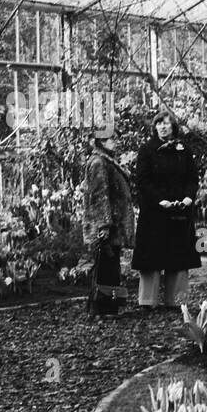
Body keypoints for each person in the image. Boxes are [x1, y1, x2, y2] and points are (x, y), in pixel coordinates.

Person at [132, 112, 201, 312]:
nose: (163, 127)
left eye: (167, 123)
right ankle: (148, 301)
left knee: (178, 256)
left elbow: (192, 178)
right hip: (155, 212)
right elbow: (142, 180)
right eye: (159, 123)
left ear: (173, 127)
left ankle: (177, 300)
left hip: (179, 212)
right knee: (151, 257)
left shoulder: (183, 150)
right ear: (155, 127)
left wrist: (188, 197)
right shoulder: (146, 150)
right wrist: (160, 200)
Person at [83, 126, 135, 319]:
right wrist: (104, 225)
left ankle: (108, 308)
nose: (115, 141)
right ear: (101, 143)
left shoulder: (106, 161)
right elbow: (99, 196)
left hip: (113, 224)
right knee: (105, 267)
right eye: (111, 139)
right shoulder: (99, 163)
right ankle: (102, 309)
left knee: (110, 267)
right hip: (108, 226)